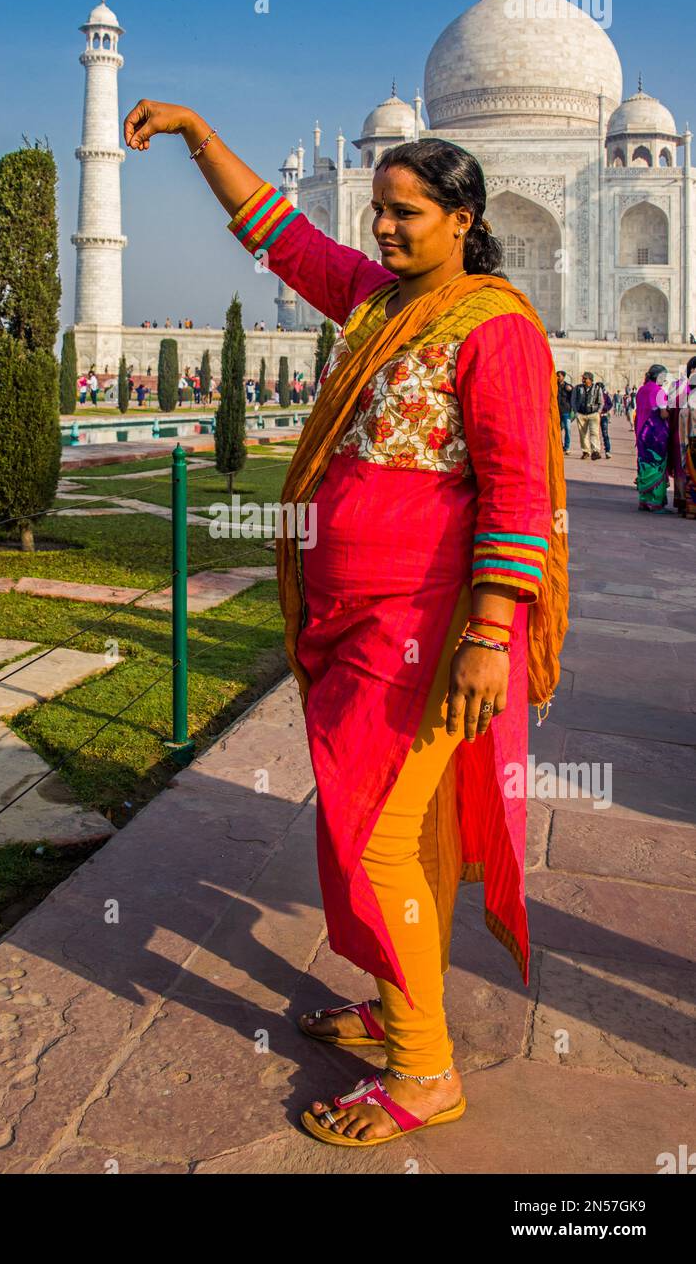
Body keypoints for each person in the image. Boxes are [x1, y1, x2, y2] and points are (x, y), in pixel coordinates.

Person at [123, 99, 568, 1147]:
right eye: (377, 210)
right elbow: (279, 234)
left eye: (404, 213)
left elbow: (512, 493)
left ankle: (423, 1069)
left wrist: (488, 633)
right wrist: (198, 138)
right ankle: (391, 1001)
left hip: (422, 629)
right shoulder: (378, 301)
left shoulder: (491, 329)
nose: (380, 229)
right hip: (352, 619)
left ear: (463, 217)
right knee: (386, 829)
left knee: (372, 834)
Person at [634, 364, 671, 512]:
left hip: (642, 432)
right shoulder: (659, 391)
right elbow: (663, 414)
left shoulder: (642, 390)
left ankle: (644, 500)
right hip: (656, 434)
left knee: (644, 464)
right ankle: (655, 502)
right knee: (657, 466)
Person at [670, 356, 696, 518]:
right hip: (684, 437)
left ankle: (686, 505)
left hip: (682, 438)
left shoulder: (677, 387)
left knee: (685, 472)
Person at [570, 371, 603, 460]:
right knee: (583, 434)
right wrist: (576, 412)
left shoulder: (597, 388)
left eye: (585, 378)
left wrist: (598, 412)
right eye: (583, 378)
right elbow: (573, 400)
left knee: (594, 433)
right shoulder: (578, 388)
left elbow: (601, 401)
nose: (583, 380)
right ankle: (586, 451)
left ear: (590, 379)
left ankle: (595, 451)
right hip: (581, 414)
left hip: (593, 413)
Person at [556, 370, 573, 454]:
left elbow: (573, 397)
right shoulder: (554, 386)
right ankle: (559, 446)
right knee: (557, 430)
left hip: (566, 411)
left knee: (567, 429)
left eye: (559, 376)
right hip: (557, 411)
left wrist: (571, 390)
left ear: (563, 377)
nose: (557, 377)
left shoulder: (568, 386)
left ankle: (567, 447)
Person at [599, 383, 612, 458]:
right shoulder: (593, 394)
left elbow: (610, 404)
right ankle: (595, 450)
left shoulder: (605, 395)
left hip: (603, 416)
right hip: (595, 416)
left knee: (605, 434)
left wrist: (605, 409)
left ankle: (607, 450)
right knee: (594, 434)